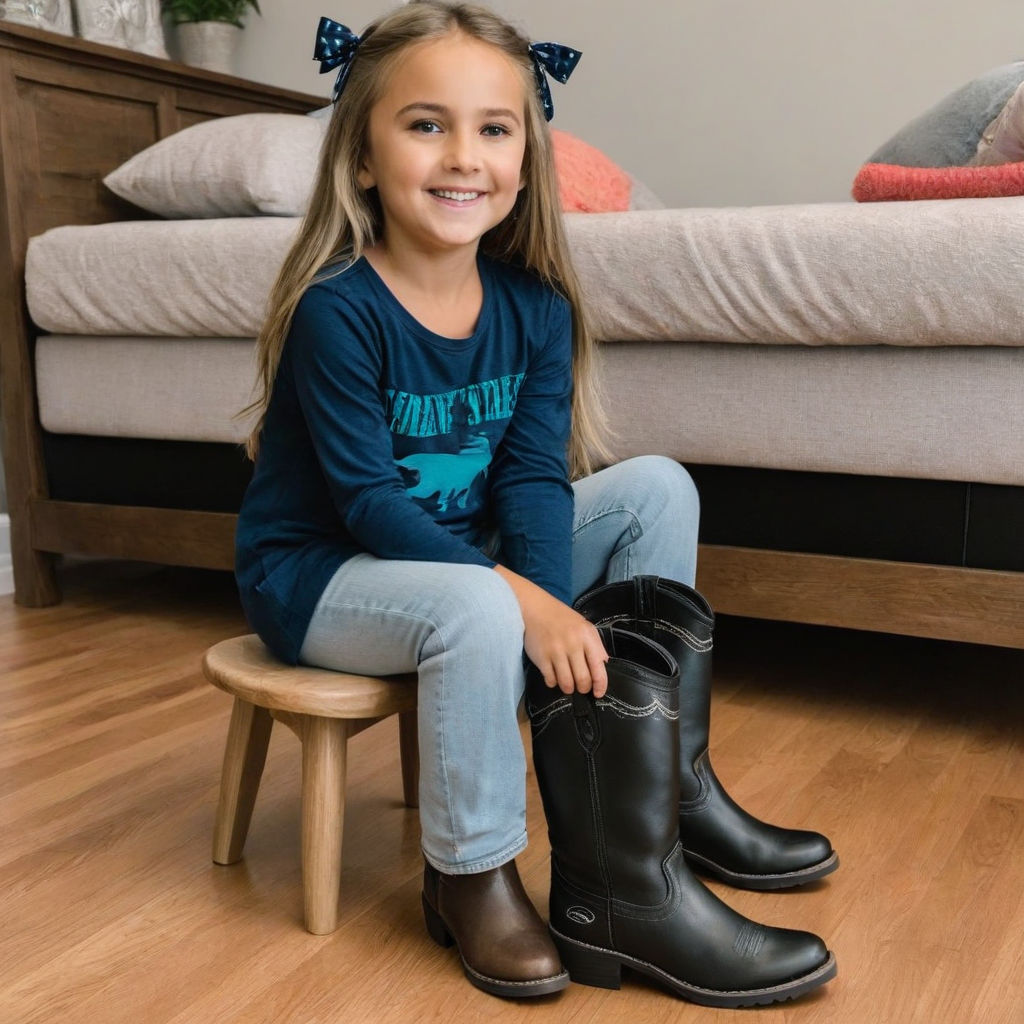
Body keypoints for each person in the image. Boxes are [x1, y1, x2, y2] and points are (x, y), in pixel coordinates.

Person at [235, 1, 834, 1005]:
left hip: (457, 557)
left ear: (524, 161)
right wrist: (527, 605)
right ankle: (469, 872)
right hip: (321, 573)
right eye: (426, 124)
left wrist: (545, 601)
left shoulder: (535, 306)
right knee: (480, 602)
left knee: (655, 489)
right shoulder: (337, 308)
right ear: (363, 157)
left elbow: (526, 481)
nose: (462, 155)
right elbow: (371, 505)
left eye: (493, 128)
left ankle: (652, 807)